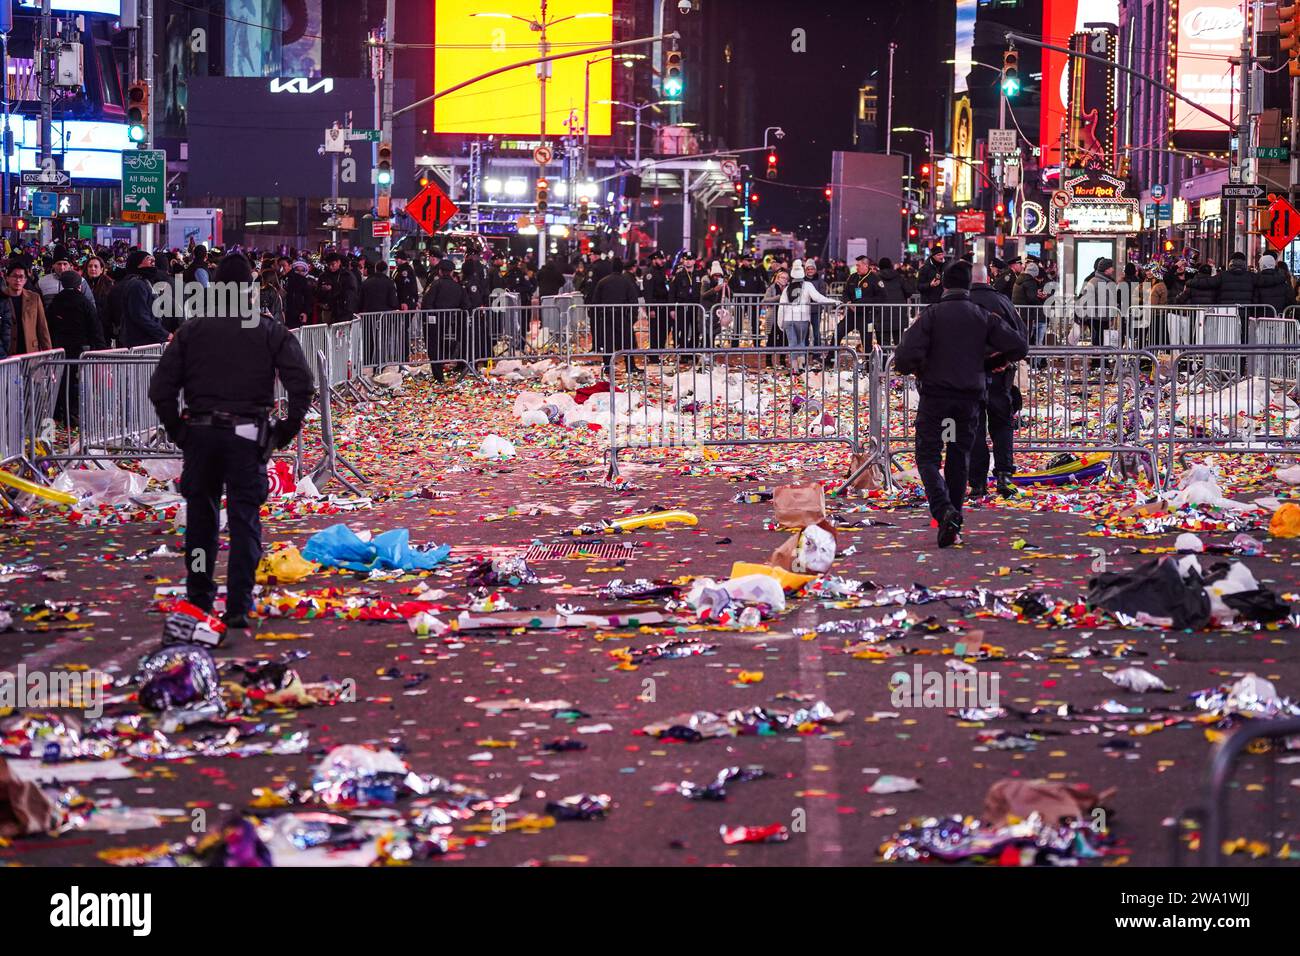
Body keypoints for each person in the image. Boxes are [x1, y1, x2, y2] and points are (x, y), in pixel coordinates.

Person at [149, 254, 314, 632]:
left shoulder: (192, 330)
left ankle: (200, 596)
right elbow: (301, 382)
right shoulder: (268, 329)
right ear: (250, 289)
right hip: (247, 434)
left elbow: (161, 388)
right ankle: (239, 603)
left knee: (201, 524)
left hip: (202, 435)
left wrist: (178, 429)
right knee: (244, 521)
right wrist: (285, 430)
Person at [893, 261, 1028, 548]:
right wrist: (992, 362)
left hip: (936, 400)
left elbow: (904, 356)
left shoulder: (931, 316)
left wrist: (920, 367)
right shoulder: (983, 316)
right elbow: (1019, 346)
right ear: (969, 285)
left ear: (943, 284)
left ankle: (944, 511)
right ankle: (954, 518)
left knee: (928, 457)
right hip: (967, 400)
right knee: (957, 454)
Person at [967, 263, 1025, 499]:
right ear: (988, 277)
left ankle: (978, 482)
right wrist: (1005, 359)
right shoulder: (1002, 302)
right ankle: (1003, 475)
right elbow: (1021, 337)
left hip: (968, 377)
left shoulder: (962, 304)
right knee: (1002, 426)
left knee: (975, 429)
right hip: (1000, 376)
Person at [47, 270, 107, 424]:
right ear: (79, 286)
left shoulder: (55, 302)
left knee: (61, 381)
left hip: (60, 349)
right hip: (81, 349)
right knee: (79, 382)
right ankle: (74, 413)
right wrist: (100, 349)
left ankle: (60, 412)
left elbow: (50, 326)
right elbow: (95, 326)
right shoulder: (84, 302)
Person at [777, 259, 837, 373]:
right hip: (802, 318)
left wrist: (780, 322)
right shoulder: (807, 285)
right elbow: (819, 298)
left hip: (789, 319)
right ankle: (801, 365)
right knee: (801, 342)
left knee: (792, 344)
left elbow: (781, 306)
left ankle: (795, 368)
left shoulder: (787, 288)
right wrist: (833, 301)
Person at [421, 259, 469, 381]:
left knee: (433, 347)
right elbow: (466, 305)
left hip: (433, 321)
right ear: (452, 272)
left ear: (440, 271)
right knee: (442, 344)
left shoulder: (436, 284)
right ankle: (444, 368)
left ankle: (438, 376)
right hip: (449, 321)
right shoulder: (458, 286)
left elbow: (426, 302)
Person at [590, 256, 640, 372]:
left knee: (608, 342)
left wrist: (597, 317)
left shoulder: (603, 282)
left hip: (606, 316)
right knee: (627, 342)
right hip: (623, 316)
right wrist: (632, 317)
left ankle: (608, 366)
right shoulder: (626, 281)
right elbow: (633, 300)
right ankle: (630, 366)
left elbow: (595, 301)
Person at [5, 264, 51, 355]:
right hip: (7, 353)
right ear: (7, 278)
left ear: (25, 280)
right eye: (14, 276)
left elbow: (42, 327)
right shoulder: (2, 297)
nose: (18, 280)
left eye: (21, 277)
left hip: (30, 351)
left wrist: (48, 353)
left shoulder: (34, 298)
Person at [642, 249, 673, 351]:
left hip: (664, 304)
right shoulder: (649, 273)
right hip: (655, 305)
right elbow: (648, 293)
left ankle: (660, 350)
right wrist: (650, 309)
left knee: (664, 329)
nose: (663, 261)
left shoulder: (662, 271)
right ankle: (654, 353)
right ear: (654, 260)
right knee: (655, 330)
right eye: (660, 259)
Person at [671, 250, 702, 347]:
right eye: (686, 259)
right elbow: (672, 292)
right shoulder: (678, 275)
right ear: (683, 261)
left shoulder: (699, 274)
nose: (688, 261)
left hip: (696, 306)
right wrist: (672, 309)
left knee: (696, 330)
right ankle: (683, 352)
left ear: (694, 261)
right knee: (683, 329)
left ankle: (693, 350)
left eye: (690, 259)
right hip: (682, 306)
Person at [84, 255, 115, 343]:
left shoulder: (109, 285)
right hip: (87, 328)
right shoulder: (82, 283)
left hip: (104, 328)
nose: (93, 269)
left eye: (96, 266)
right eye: (90, 266)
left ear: (102, 269)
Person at [283, 259, 315, 328]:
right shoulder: (287, 280)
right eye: (297, 270)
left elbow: (308, 298)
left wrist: (305, 312)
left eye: (302, 270)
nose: (299, 272)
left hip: (301, 314)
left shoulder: (309, 281)